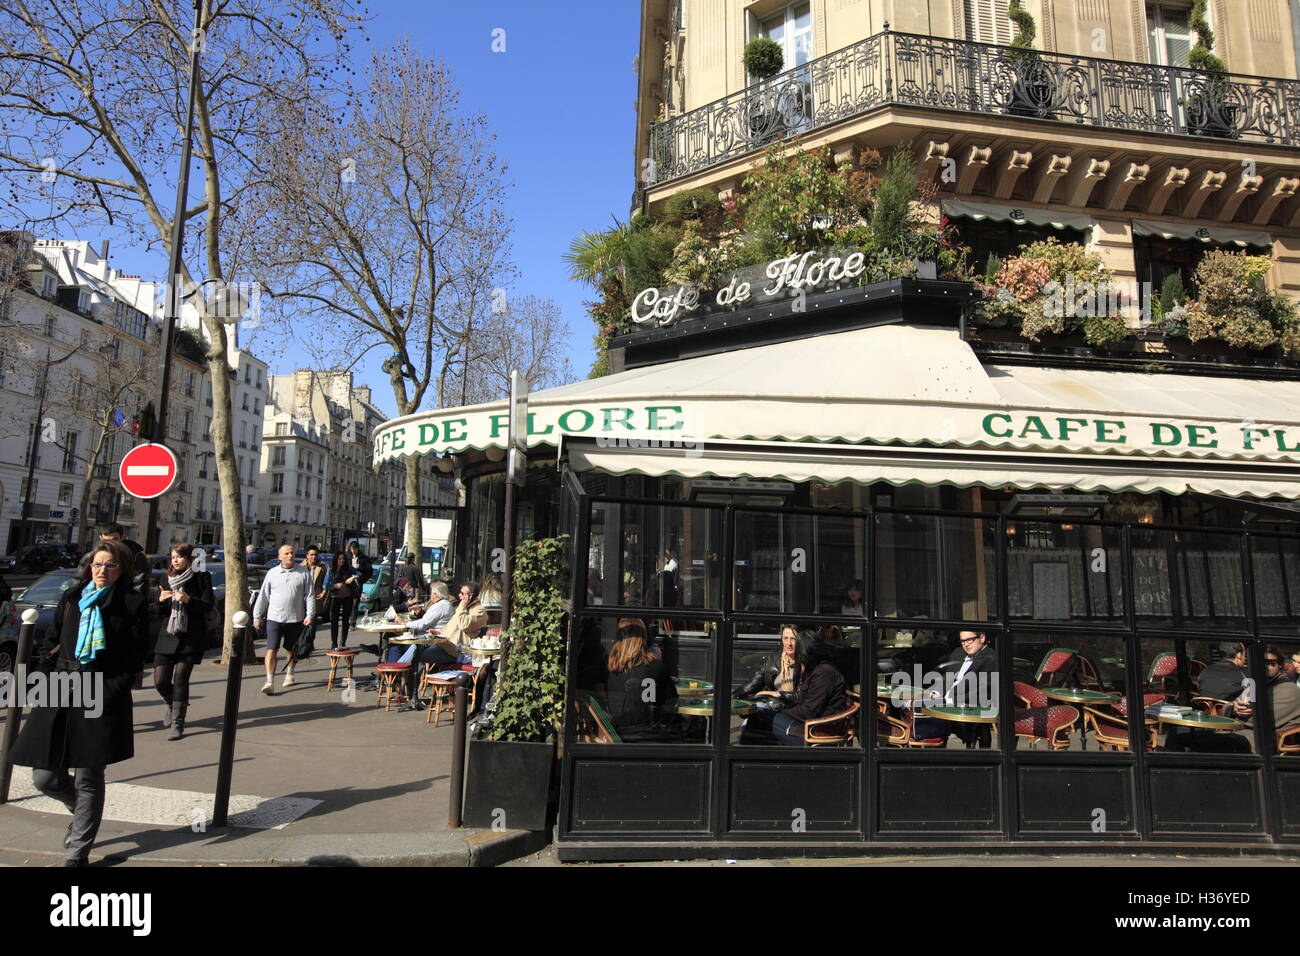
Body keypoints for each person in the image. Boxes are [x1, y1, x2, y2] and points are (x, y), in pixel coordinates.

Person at [9, 539, 147, 865]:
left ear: (122, 569)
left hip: (99, 690)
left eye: (110, 565)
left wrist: (112, 689)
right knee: (44, 776)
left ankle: (78, 853)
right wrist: (42, 678)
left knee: (88, 776)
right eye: (97, 565)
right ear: (88, 567)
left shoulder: (131, 602)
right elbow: (52, 644)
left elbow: (135, 657)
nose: (102, 571)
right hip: (61, 686)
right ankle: (80, 810)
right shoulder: (73, 598)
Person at [153, 543, 214, 741]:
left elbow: (207, 605)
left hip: (190, 635)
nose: (176, 560)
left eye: (179, 557)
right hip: (168, 633)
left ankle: (178, 723)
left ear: (189, 559)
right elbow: (159, 611)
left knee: (180, 679)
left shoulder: (201, 577)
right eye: (173, 557)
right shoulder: (166, 577)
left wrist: (188, 600)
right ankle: (172, 703)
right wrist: (161, 601)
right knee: (160, 680)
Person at [912, 630, 998, 747]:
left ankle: (926, 746)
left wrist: (948, 699)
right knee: (911, 705)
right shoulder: (959, 653)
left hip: (965, 705)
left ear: (982, 638)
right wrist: (935, 692)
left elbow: (980, 690)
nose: (966, 644)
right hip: (945, 701)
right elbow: (946, 678)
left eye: (969, 640)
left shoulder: (990, 658)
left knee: (922, 711)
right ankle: (923, 744)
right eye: (963, 641)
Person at [252, 544, 315, 694]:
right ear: (279, 556)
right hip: (274, 618)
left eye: (292, 553)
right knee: (271, 649)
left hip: (295, 618)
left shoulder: (303, 572)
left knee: (291, 649)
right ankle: (269, 681)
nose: (290, 556)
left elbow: (310, 595)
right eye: (286, 553)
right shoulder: (272, 573)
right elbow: (263, 596)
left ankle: (290, 673)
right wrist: (257, 616)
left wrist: (310, 615)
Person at [770, 629, 849, 747]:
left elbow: (808, 711)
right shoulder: (816, 669)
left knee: (761, 718)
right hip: (811, 725)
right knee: (758, 719)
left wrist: (781, 711)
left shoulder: (824, 673)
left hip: (816, 731)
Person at [604, 623, 678, 740]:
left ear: (618, 638)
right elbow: (671, 703)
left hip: (615, 734)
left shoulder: (608, 667)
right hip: (650, 736)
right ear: (644, 638)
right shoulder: (657, 667)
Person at [78, 522, 150, 596]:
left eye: (114, 540)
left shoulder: (135, 557)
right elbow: (80, 580)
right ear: (100, 537)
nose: (110, 544)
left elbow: (140, 586)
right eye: (98, 564)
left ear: (122, 538)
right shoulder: (90, 557)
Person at [299, 545, 328, 661]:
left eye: (315, 554)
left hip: (315, 600)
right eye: (311, 554)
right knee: (302, 625)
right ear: (307, 556)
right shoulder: (300, 567)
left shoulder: (322, 567)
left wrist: (323, 592)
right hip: (301, 600)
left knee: (312, 626)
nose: (313, 557)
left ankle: (309, 645)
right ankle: (303, 646)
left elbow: (327, 582)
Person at [323, 551, 356, 650]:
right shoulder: (331, 570)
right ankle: (334, 643)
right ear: (336, 560)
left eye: (343, 559)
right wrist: (335, 585)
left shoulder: (348, 569)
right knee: (334, 621)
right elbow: (324, 585)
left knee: (345, 621)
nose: (341, 561)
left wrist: (353, 577)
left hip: (347, 598)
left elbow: (360, 573)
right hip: (335, 598)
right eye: (339, 559)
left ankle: (343, 643)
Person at [346, 541, 373, 627]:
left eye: (355, 549)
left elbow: (369, 570)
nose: (353, 551)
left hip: (358, 583)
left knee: (355, 604)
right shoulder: (348, 557)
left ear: (358, 549)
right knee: (348, 604)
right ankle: (347, 621)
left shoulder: (363, 558)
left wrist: (360, 567)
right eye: (351, 549)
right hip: (348, 583)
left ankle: (352, 623)